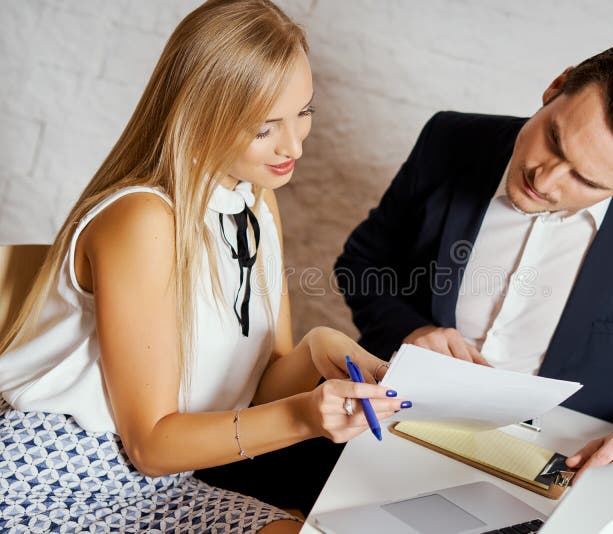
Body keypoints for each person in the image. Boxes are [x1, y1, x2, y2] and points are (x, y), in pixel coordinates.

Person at [0, 1, 410, 532]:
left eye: (304, 111)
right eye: (266, 127)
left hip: (169, 479)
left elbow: (256, 392)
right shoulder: (144, 220)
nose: (294, 144)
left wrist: (319, 349)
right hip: (60, 476)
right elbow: (149, 443)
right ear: (200, 116)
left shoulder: (255, 202)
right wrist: (306, 417)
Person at [335, 44, 613, 478]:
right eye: (555, 140)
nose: (544, 179)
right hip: (386, 433)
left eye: (585, 179)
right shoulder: (449, 139)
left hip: (544, 477)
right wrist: (412, 330)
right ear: (556, 87)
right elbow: (364, 263)